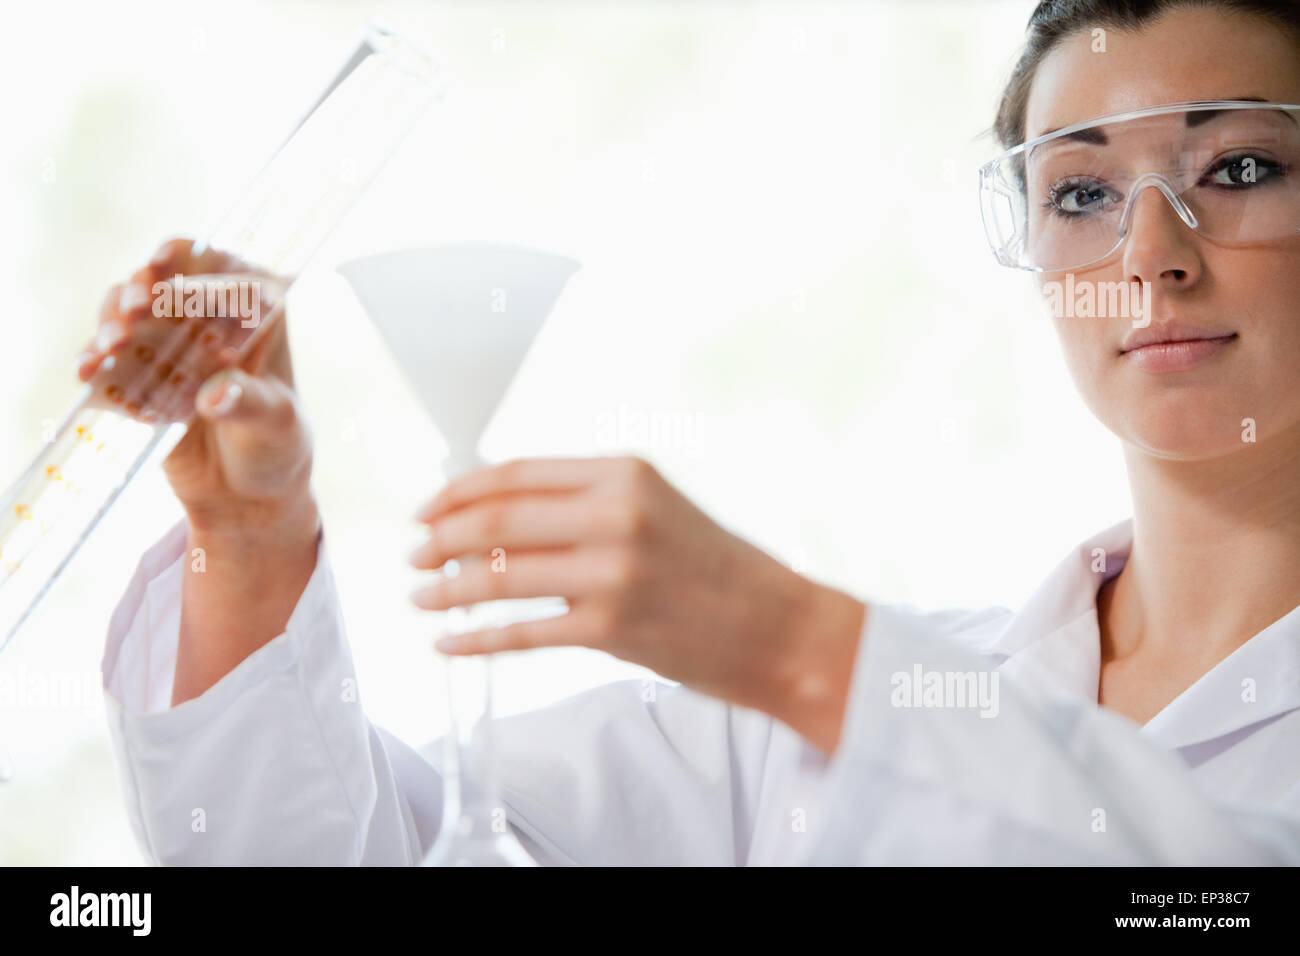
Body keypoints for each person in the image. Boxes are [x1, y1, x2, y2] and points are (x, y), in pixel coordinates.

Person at [84, 0, 1300, 864]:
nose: (1149, 257)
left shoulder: (822, 672)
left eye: (1241, 168)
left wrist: (797, 647)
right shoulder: (816, 723)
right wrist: (246, 540)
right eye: (1081, 194)